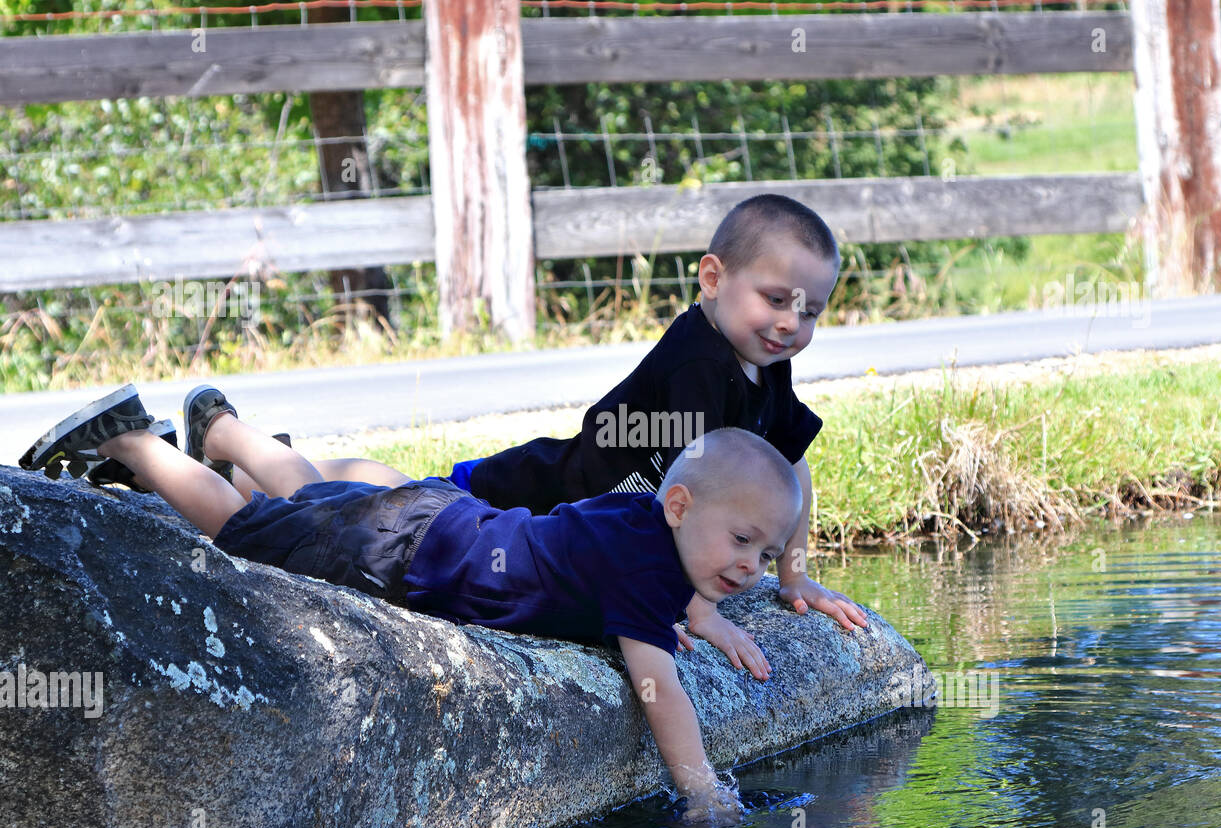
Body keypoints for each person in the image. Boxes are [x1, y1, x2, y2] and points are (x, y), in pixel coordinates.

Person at [21, 384, 805, 824]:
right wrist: (703, 789)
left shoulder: (649, 526)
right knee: (247, 531)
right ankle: (131, 441)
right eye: (740, 542)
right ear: (677, 505)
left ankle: (223, 430)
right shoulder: (646, 566)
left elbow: (654, 580)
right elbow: (656, 686)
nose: (749, 566)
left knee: (314, 501)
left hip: (433, 521)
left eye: (765, 555)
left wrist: (703, 607)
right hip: (400, 558)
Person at [218, 194, 869, 673]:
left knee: (384, 496)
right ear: (712, 278)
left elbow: (789, 471)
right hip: (534, 498)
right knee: (388, 496)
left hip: (574, 519)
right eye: (777, 298)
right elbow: (683, 496)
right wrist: (697, 610)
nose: (791, 323)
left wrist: (794, 573)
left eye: (810, 310)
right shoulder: (699, 361)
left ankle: (256, 461)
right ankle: (258, 453)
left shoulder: (764, 364)